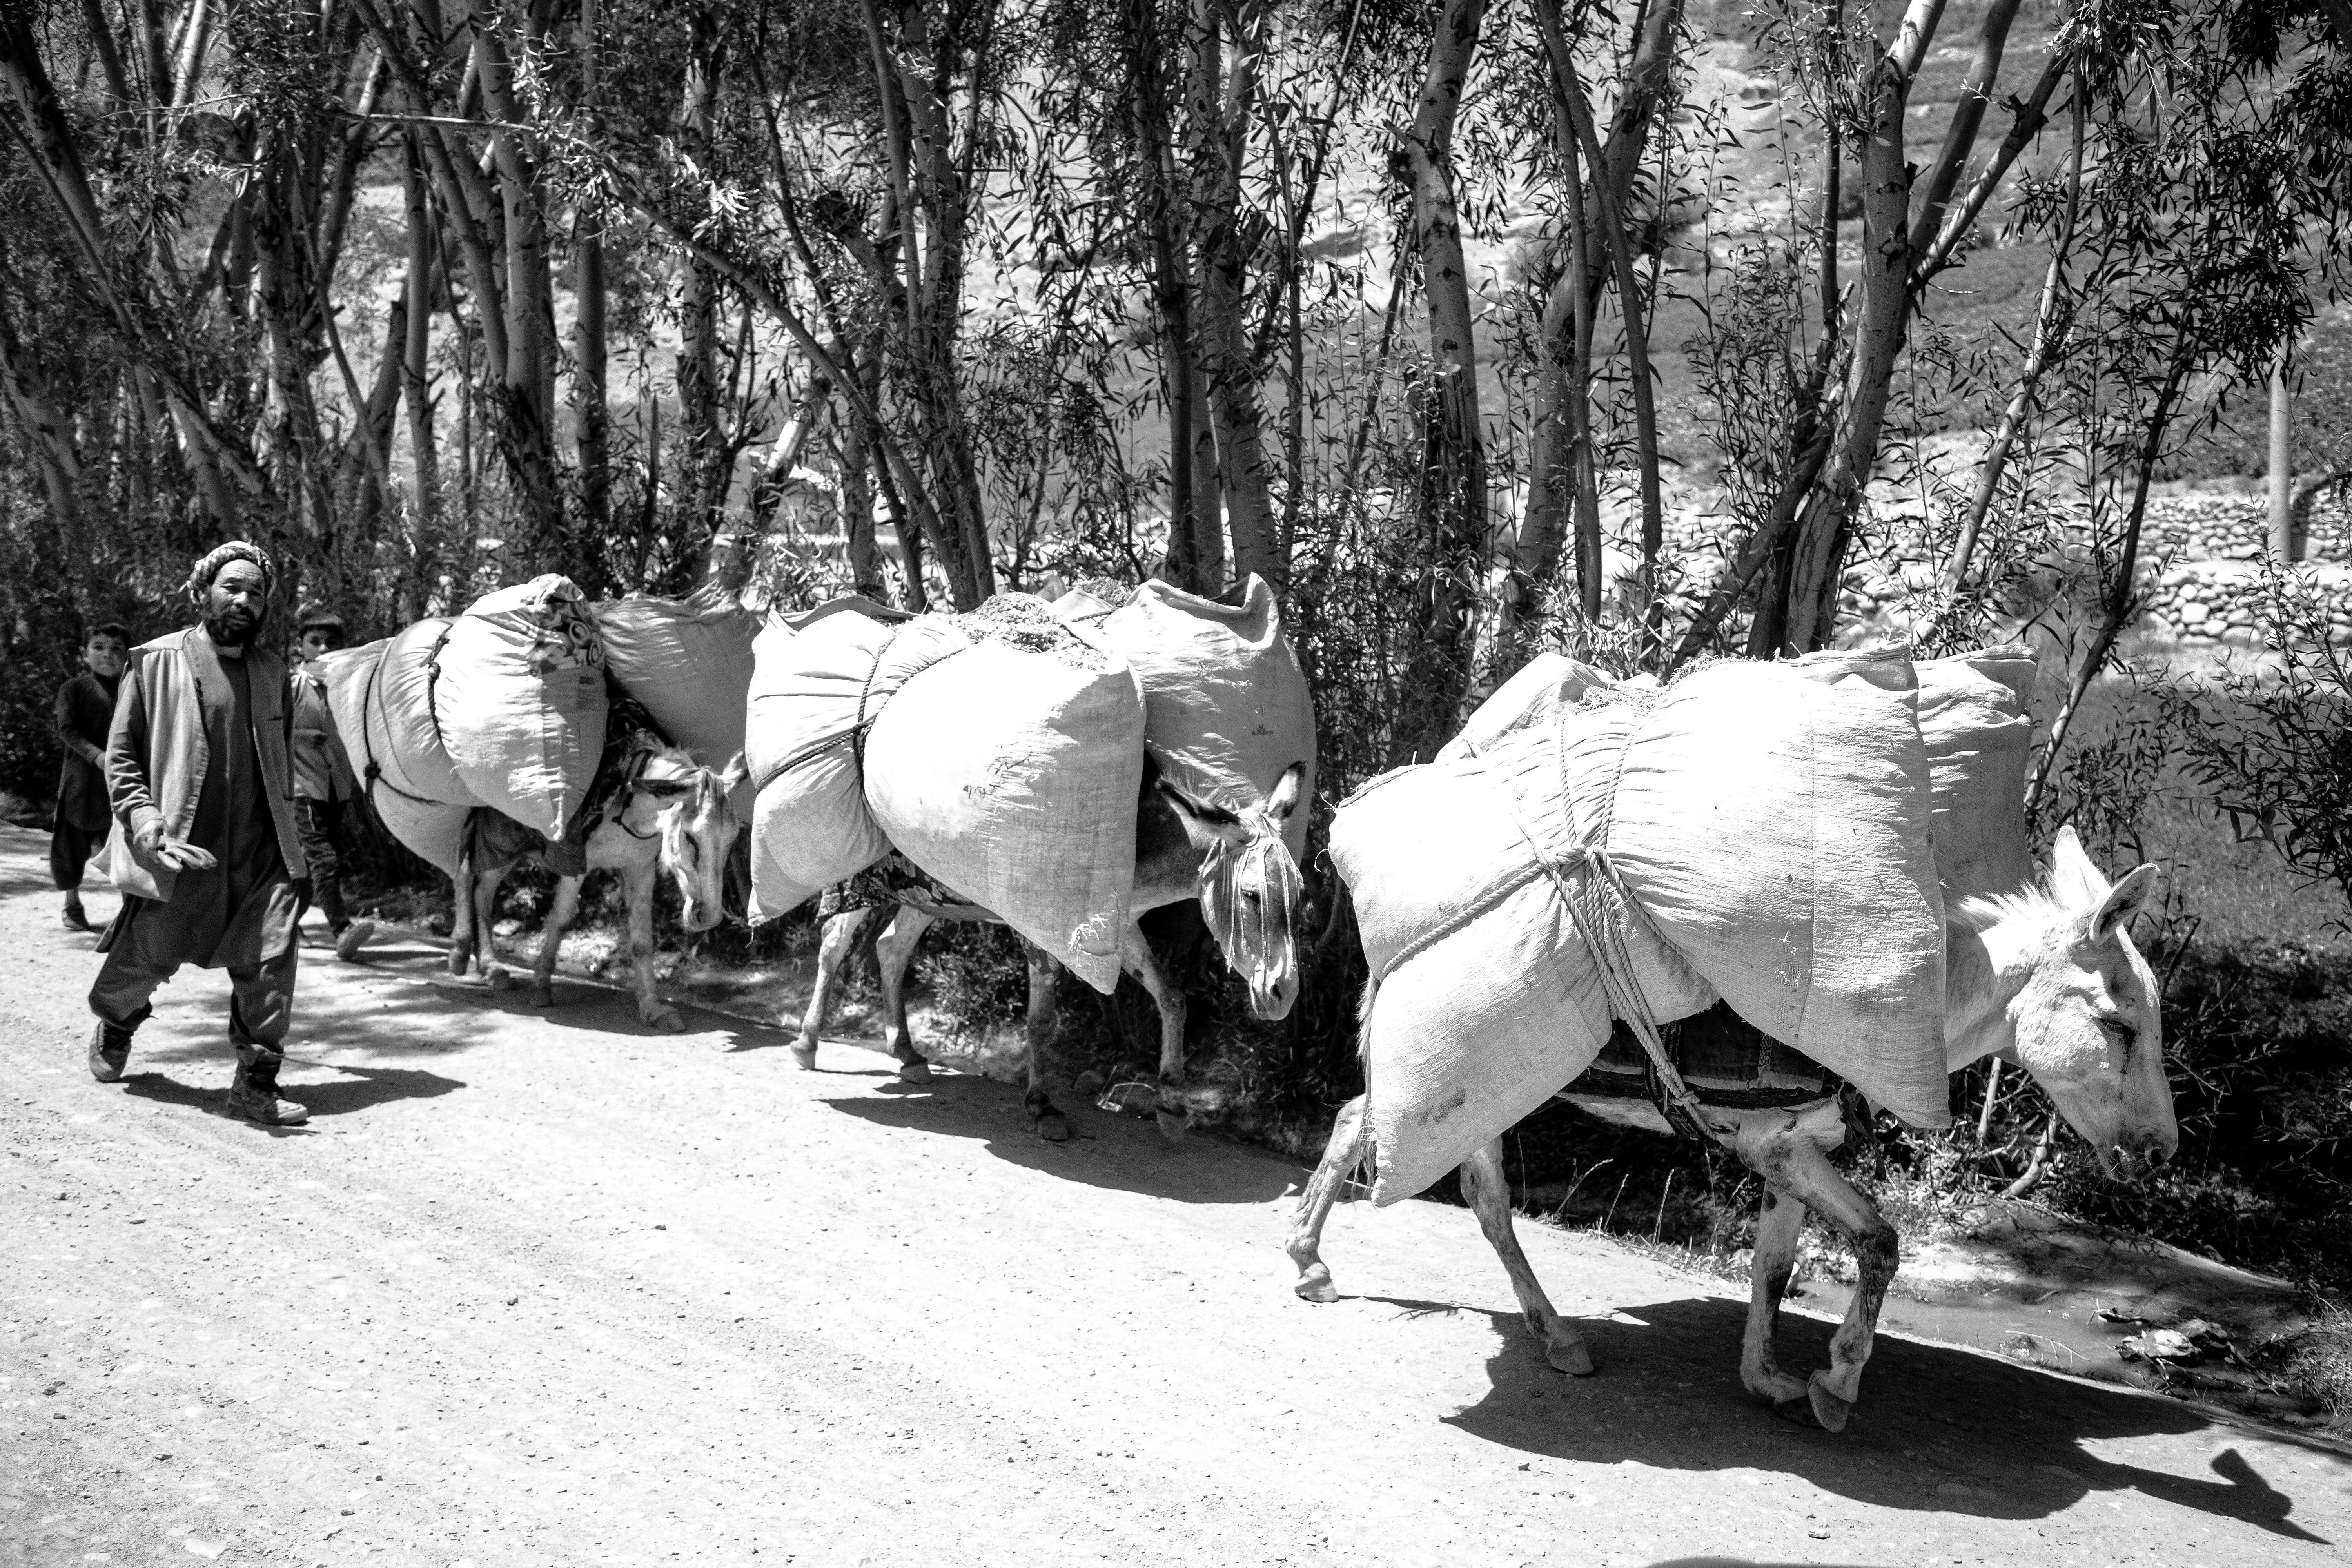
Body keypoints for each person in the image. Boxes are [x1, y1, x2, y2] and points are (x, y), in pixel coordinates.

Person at [88, 543, 313, 1126]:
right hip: (183, 848)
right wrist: (146, 822)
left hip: (261, 854)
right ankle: (117, 1022)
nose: (244, 600)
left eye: (256, 592)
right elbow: (121, 758)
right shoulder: (155, 662)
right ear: (204, 592)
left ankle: (256, 1084)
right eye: (232, 587)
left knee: (273, 959)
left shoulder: (272, 672)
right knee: (145, 959)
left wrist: (298, 846)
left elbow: (283, 765)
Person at [289, 603, 373, 960]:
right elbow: (263, 730)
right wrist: (305, 735)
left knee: (311, 866)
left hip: (338, 788)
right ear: (302, 646)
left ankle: (283, 922)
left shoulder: (351, 687)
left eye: (331, 642)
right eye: (315, 641)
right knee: (324, 859)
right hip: (302, 787)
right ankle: (342, 929)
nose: (323, 649)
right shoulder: (290, 685)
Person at [53, 622, 128, 931]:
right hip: (81, 784)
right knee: (71, 847)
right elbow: (68, 730)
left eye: (116, 649)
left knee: (126, 848)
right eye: (98, 647)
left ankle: (131, 910)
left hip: (122, 784)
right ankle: (72, 904)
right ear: (86, 653)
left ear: (126, 656)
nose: (107, 655)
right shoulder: (75, 689)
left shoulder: (134, 689)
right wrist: (97, 756)